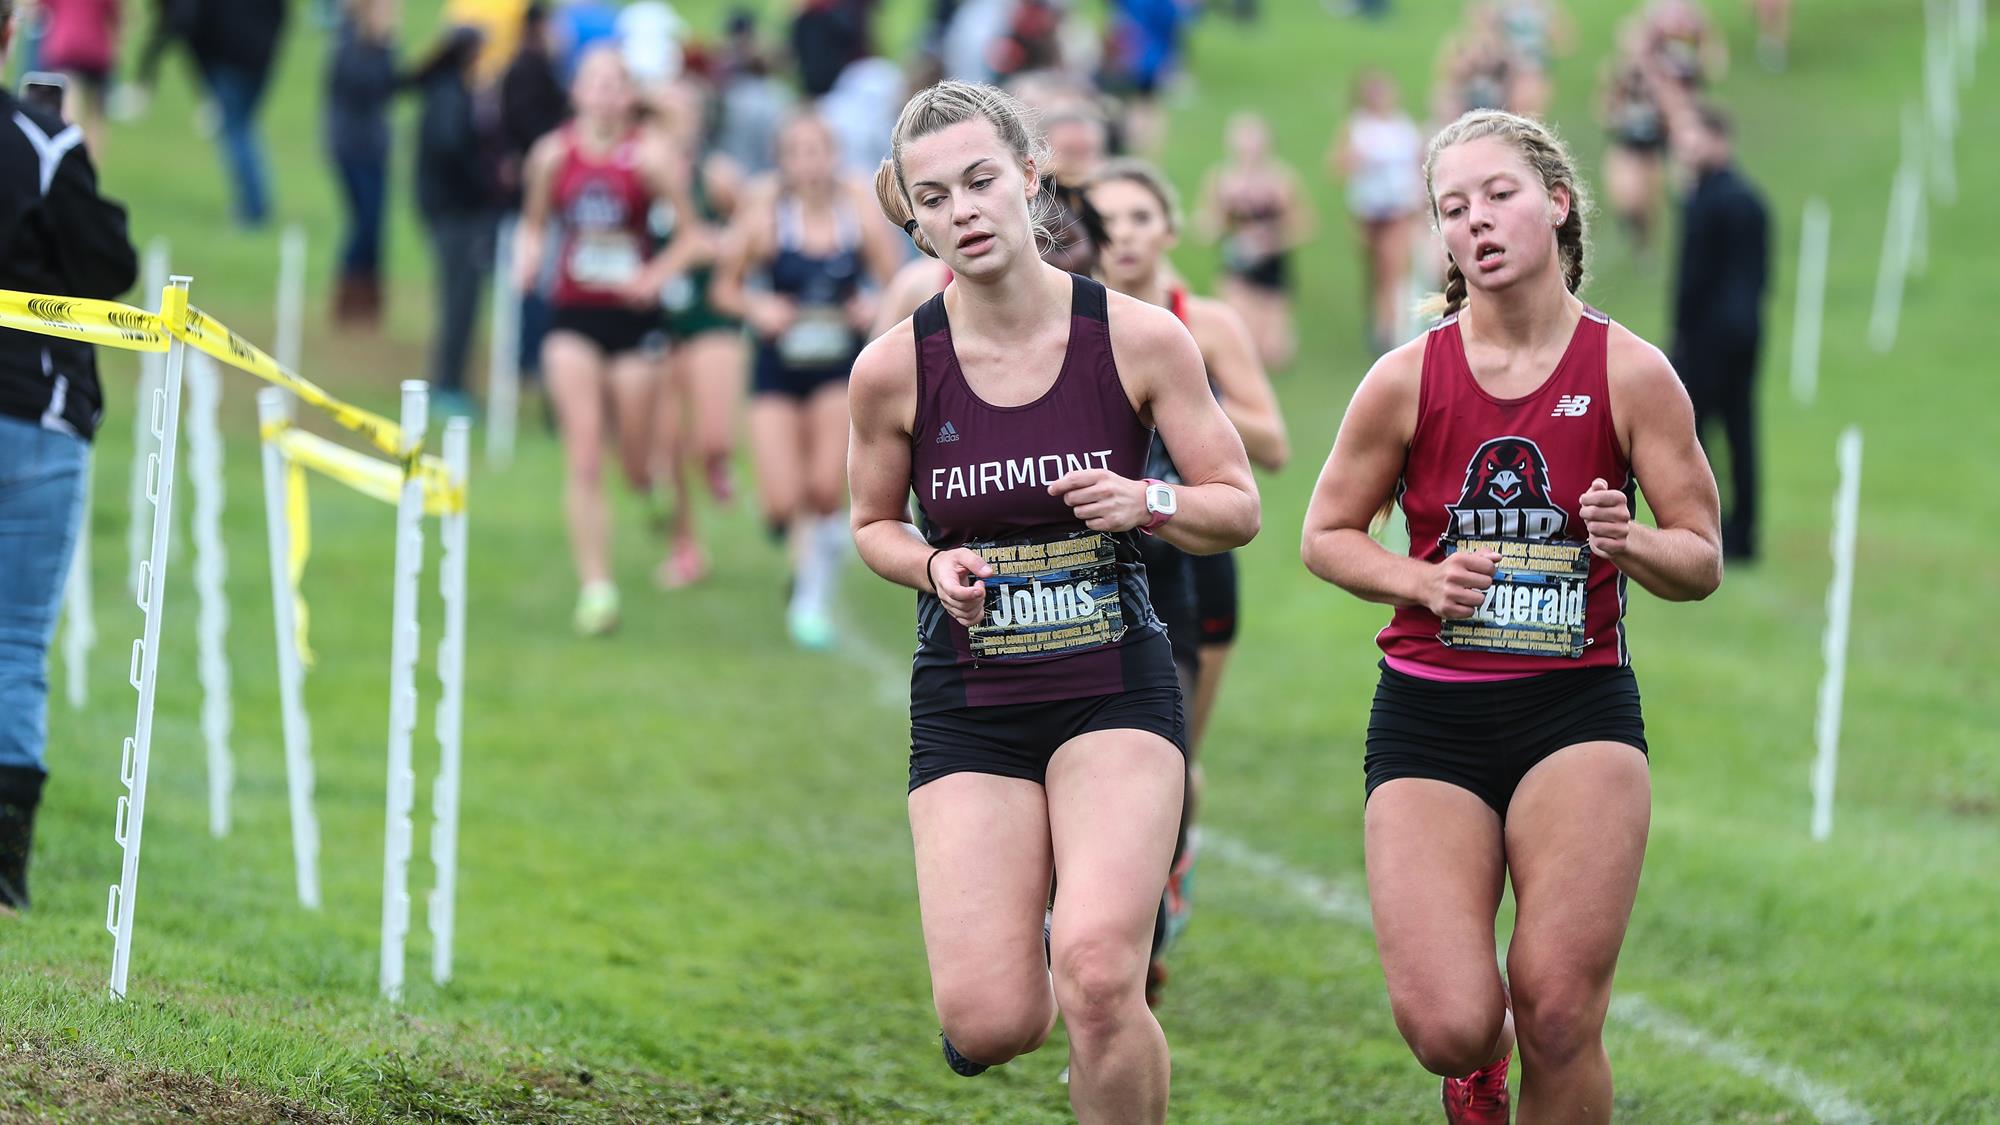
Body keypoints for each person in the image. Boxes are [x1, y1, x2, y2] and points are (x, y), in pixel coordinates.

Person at [1300, 109, 1722, 1124]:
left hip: (1574, 710)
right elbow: (1324, 535)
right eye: (1453, 207)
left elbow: (1698, 558)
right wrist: (1415, 582)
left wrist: (1627, 544)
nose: (1476, 221)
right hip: (1428, 715)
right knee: (1448, 1022)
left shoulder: (1628, 371)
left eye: (1498, 195)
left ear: (1557, 203)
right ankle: (1473, 1068)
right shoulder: (1405, 377)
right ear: (1439, 237)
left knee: (1560, 1012)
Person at [853, 79, 1258, 1122]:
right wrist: (927, 566)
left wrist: (1146, 498)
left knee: (1095, 976)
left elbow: (1235, 506)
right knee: (988, 1021)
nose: (964, 212)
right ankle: (1025, 960)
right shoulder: (892, 369)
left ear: (1030, 179)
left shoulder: (1138, 338)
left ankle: (1096, 990)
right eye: (935, 197)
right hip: (970, 699)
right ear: (914, 215)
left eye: (982, 182)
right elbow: (871, 525)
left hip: (1111, 686)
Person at [1087, 157, 1288, 1000]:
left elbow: (1272, 445)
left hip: (1195, 561)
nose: (1124, 234)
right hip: (1097, 564)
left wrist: (1184, 384)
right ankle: (1108, 935)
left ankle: (1164, 885)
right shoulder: (1071, 316)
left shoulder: (1201, 321)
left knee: (1174, 761)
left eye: (1141, 217)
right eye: (1108, 220)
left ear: (1169, 230)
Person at [0, 0, 139, 913]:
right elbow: (109, 268)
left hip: (33, 414)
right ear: (10, 34)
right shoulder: (41, 143)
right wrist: (78, 158)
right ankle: (4, 866)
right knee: (13, 642)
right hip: (32, 413)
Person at [515, 46, 701, 635]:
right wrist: (526, 260)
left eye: (614, 83)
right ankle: (597, 588)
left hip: (633, 324)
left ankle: (650, 492)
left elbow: (694, 239)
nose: (603, 93)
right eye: (592, 82)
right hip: (572, 317)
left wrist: (653, 276)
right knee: (586, 452)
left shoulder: (647, 159)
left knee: (636, 463)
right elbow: (535, 222)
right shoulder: (551, 155)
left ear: (627, 96)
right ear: (576, 91)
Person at [714, 111, 898, 649]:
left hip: (835, 370)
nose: (809, 162)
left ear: (833, 155)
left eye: (817, 150)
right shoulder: (767, 218)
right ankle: (801, 552)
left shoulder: (856, 215)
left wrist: (870, 305)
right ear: (784, 160)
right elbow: (725, 288)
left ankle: (810, 600)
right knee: (778, 500)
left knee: (823, 489)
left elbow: (895, 285)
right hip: (777, 369)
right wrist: (759, 306)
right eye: (797, 152)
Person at [1669, 103, 1767, 561]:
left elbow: (1693, 278)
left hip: (1707, 337)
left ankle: (1711, 526)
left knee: (1698, 433)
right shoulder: (1752, 199)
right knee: (1742, 429)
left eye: (1695, 139)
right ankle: (1744, 531)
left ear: (1718, 140)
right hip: (1746, 333)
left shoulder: (1705, 202)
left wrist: (1682, 334)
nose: (1687, 149)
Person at [408, 24, 497, 418]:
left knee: (459, 300)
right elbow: (453, 150)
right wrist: (487, 181)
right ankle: (447, 386)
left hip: (449, 212)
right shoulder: (450, 96)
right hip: (456, 215)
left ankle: (449, 382)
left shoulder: (445, 91)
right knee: (459, 301)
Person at [1196, 113, 1310, 372]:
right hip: (1237, 270)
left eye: (1254, 142)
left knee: (1275, 353)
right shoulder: (1222, 180)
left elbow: (1304, 225)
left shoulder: (1281, 181)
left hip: (1273, 271)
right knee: (1239, 342)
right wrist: (1220, 228)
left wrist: (1270, 240)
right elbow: (1206, 222)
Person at [1330, 70, 1426, 355]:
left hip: (1398, 208)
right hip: (1368, 210)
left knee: (1393, 266)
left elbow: (1419, 164)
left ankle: (1393, 332)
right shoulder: (1357, 127)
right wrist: (1355, 160)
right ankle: (1379, 322)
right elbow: (1338, 164)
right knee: (1375, 271)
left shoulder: (1404, 128)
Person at [325, 0, 398, 327]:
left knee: (374, 224)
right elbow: (365, 85)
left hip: (373, 146)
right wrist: (383, 47)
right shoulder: (349, 41)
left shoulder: (376, 45)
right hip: (352, 147)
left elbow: (388, 87)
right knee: (363, 222)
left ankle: (367, 301)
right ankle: (349, 298)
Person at [186, 0, 286, 227]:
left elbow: (202, 18)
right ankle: (254, 203)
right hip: (258, 59)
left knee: (237, 131)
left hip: (231, 61)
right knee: (243, 127)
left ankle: (254, 207)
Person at [1599, 30, 1667, 257]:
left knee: (1648, 203)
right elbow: (1605, 113)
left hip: (1651, 150)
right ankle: (1628, 221)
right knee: (1627, 197)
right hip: (1626, 147)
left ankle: (1645, 244)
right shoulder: (1619, 80)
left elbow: (1671, 113)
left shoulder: (1660, 79)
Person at [34, 0, 117, 154]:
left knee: (70, 109)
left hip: (66, 47)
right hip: (97, 50)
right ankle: (92, 165)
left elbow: (40, 11)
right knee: (96, 114)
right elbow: (115, 17)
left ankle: (69, 157)